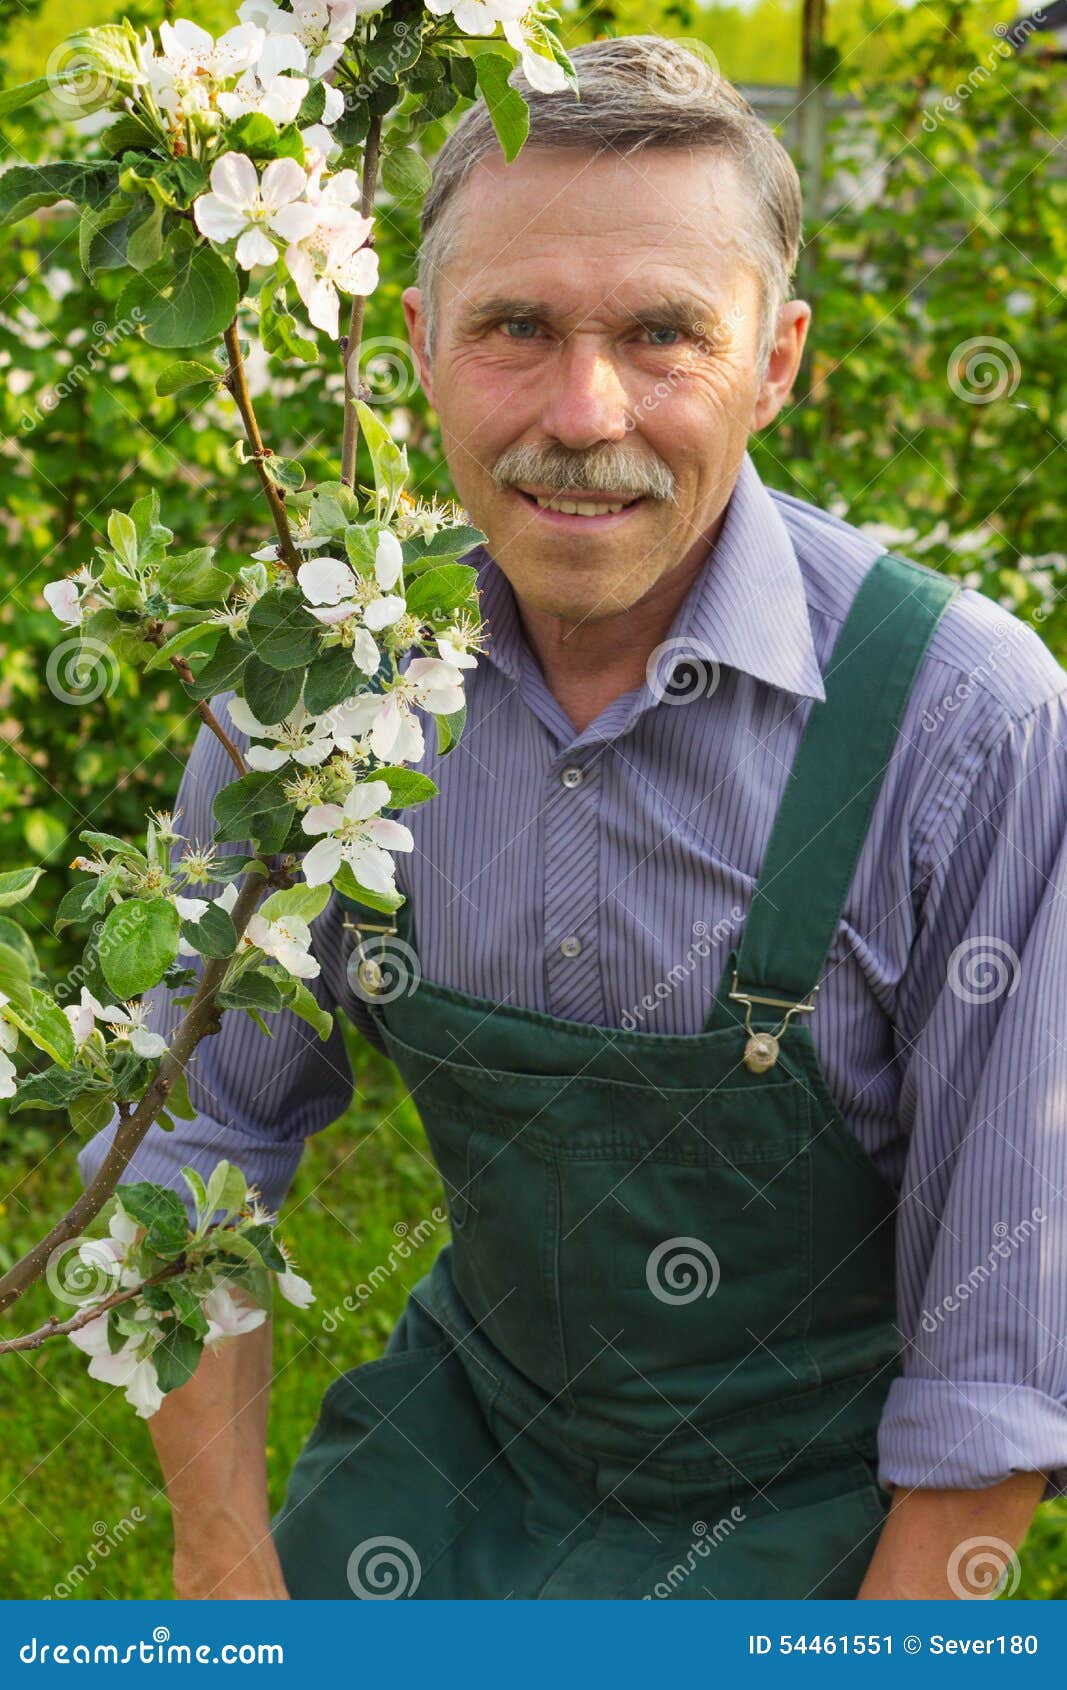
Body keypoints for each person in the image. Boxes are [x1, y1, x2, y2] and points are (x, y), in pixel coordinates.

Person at [79, 36, 1067, 1600]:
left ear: (779, 360)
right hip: (472, 1440)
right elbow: (197, 1129)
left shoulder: (966, 723)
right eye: (516, 329)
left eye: (667, 334)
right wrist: (224, 1573)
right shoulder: (313, 690)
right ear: (416, 343)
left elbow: (999, 1356)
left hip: (826, 1506)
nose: (585, 412)